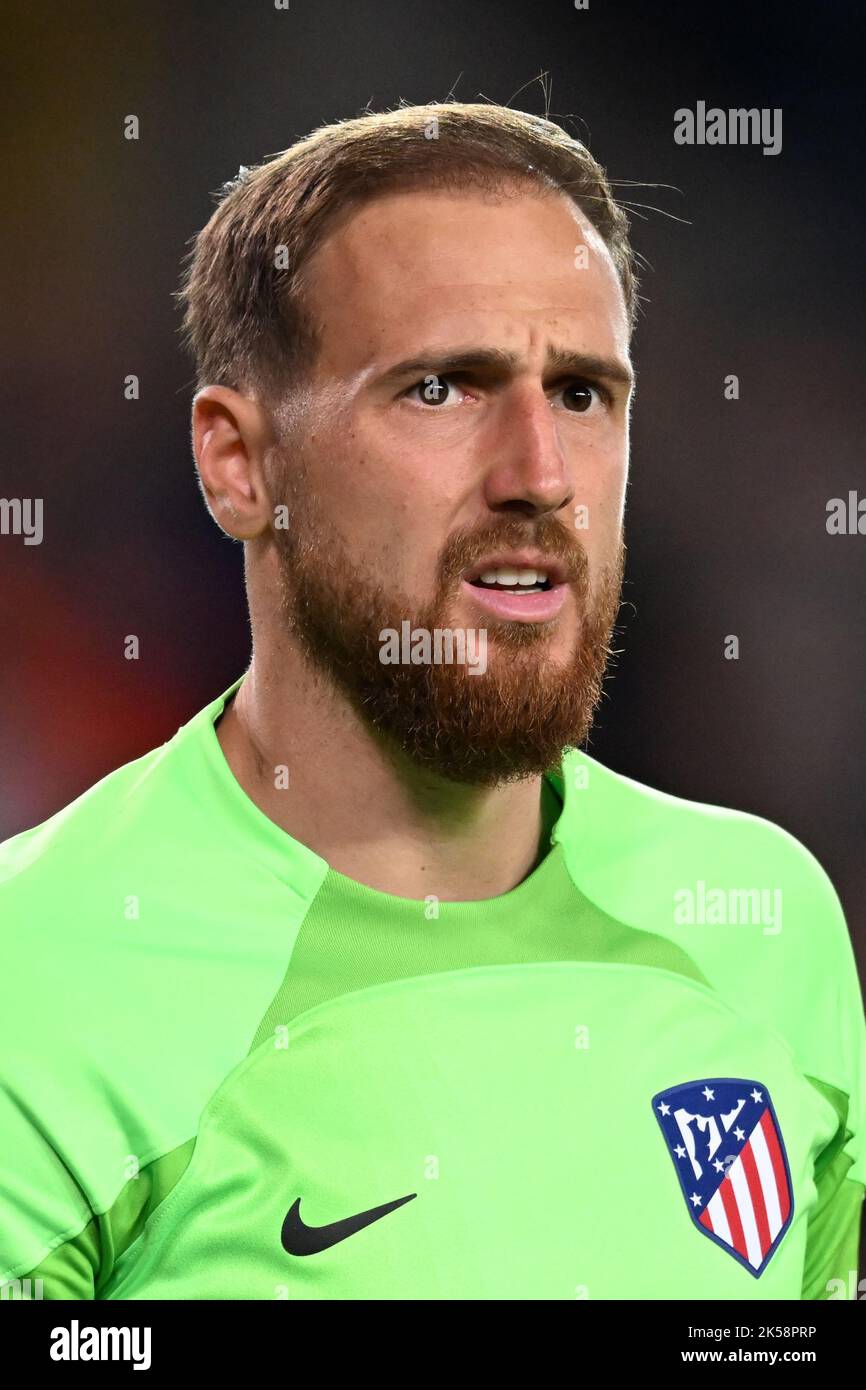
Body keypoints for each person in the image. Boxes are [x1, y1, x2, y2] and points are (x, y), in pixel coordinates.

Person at [1, 102, 863, 1300]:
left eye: (579, 393)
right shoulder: (38, 969)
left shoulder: (763, 918)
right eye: (441, 389)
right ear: (238, 464)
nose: (539, 477)